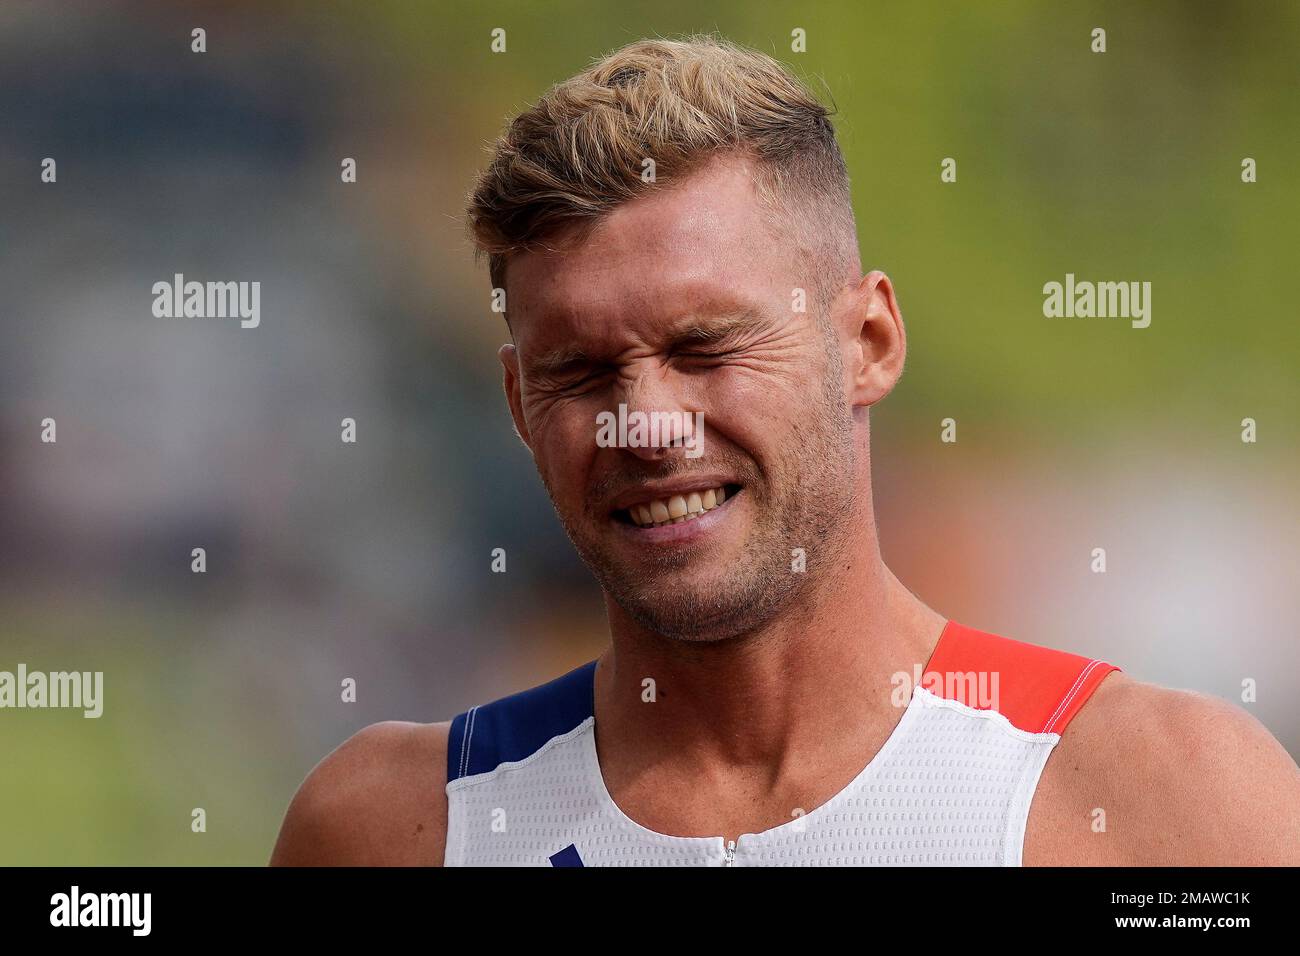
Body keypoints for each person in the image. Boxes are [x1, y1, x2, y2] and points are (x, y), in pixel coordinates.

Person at [271, 36, 1300, 867]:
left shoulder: (1166, 800)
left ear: (867, 344)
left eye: (704, 345)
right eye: (581, 371)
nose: (647, 421)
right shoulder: (394, 830)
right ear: (515, 402)